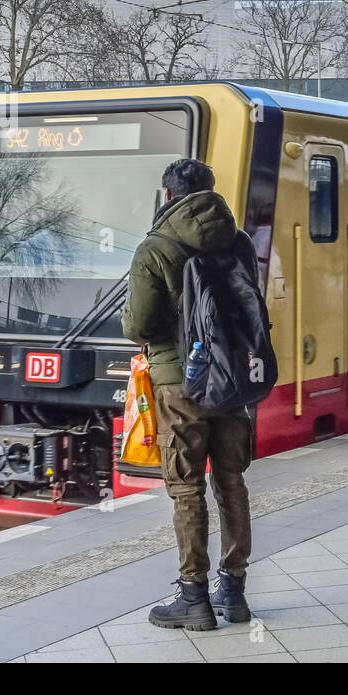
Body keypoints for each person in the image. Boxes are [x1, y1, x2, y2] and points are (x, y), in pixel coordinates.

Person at [125, 158, 260, 631]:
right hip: (233, 379)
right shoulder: (239, 242)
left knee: (186, 487)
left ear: (167, 196)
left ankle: (194, 598)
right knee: (231, 481)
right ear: (209, 193)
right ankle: (235, 592)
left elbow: (139, 324)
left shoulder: (155, 247)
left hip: (180, 382)